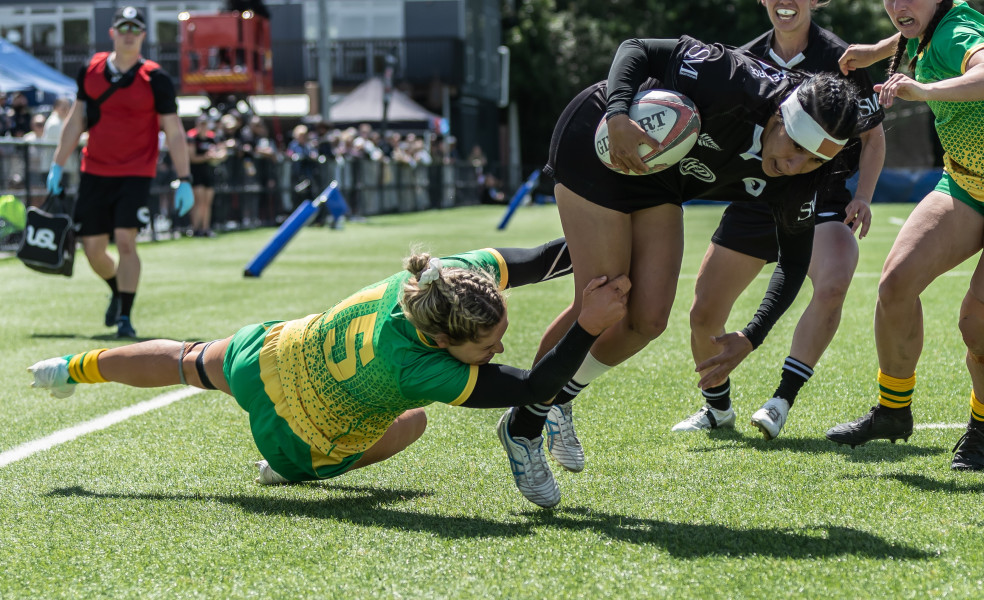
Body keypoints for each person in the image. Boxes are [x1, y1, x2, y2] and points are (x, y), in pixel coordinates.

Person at [497, 35, 862, 506]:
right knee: (604, 298)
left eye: (814, 159)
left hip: (659, 174)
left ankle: (558, 396)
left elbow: (793, 262)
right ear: (778, 117)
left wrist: (750, 337)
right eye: (794, 147)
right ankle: (525, 424)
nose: (795, 165)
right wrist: (618, 114)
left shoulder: (806, 174)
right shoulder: (734, 79)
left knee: (647, 320)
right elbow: (637, 50)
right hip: (602, 137)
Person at [29, 240, 628, 508]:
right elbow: (532, 391)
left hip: (266, 356)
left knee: (185, 359)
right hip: (295, 438)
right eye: (488, 345)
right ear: (444, 340)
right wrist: (588, 324)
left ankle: (68, 368)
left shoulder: (444, 276)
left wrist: (604, 244)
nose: (499, 349)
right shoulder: (423, 368)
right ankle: (280, 474)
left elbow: (543, 259)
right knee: (412, 422)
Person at [824, 0, 984, 471]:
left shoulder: (958, 28)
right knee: (895, 284)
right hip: (966, 181)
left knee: (977, 329)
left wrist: (922, 90)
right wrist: (874, 52)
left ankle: (983, 424)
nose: (899, 6)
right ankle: (893, 409)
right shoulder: (930, 21)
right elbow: (911, 34)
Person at [671, 0, 886, 439]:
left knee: (832, 283)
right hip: (756, 196)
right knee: (703, 312)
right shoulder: (745, 58)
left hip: (820, 198)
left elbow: (873, 135)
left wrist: (862, 195)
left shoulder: (843, 60)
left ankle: (781, 400)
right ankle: (717, 410)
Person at [46, 6, 194, 338]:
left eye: (136, 28)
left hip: (136, 173)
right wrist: (57, 163)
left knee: (127, 242)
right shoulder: (91, 70)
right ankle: (117, 289)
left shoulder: (155, 78)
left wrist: (184, 179)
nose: (129, 33)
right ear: (112, 33)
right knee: (92, 249)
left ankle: (125, 316)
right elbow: (75, 121)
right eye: (123, 27)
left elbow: (173, 130)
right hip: (95, 170)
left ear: (143, 35)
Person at [187, 117, 222, 237]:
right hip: (196, 173)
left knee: (207, 203)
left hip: (209, 173)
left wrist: (216, 156)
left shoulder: (212, 138)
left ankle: (206, 228)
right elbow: (192, 158)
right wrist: (206, 157)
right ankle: (196, 229)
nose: (203, 126)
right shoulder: (192, 138)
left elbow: (221, 152)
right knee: (198, 202)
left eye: (205, 124)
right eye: (201, 124)